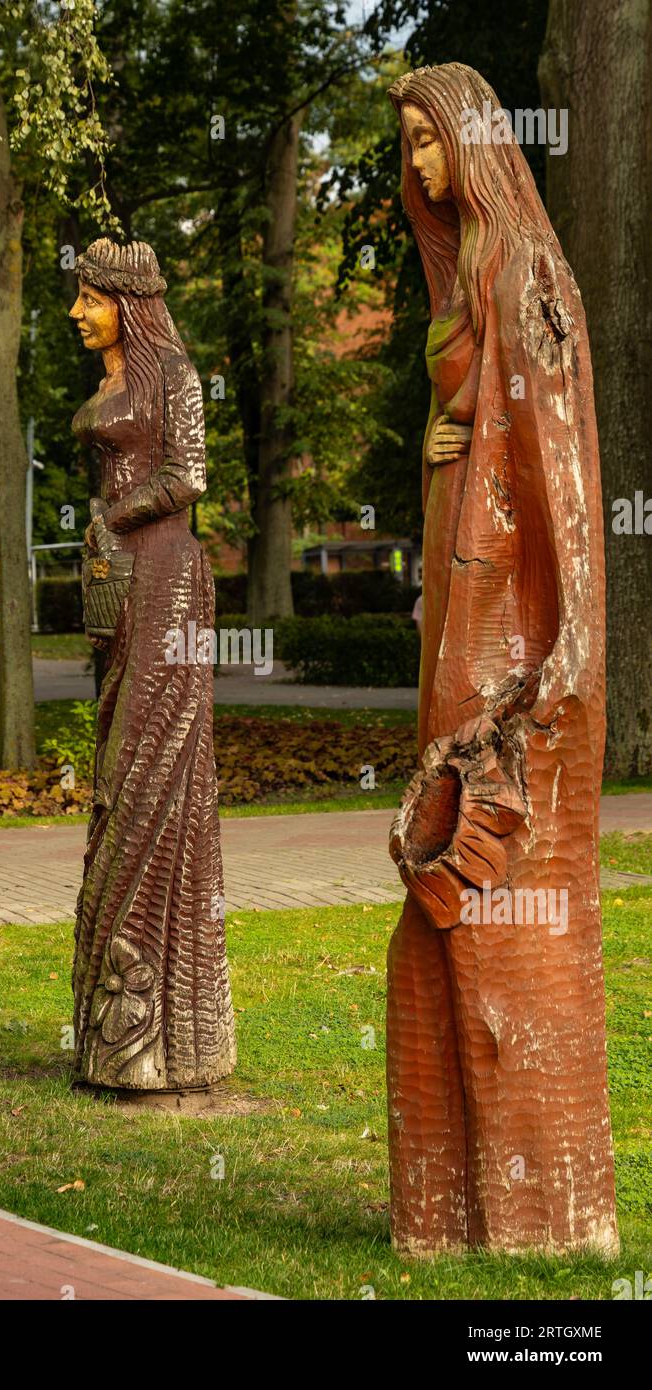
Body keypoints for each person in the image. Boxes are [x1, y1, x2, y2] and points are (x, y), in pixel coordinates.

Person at [386, 64, 617, 1255]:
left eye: (431, 141)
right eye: (407, 145)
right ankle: (458, 1200)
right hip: (454, 590)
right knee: (440, 891)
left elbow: (557, 466)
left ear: (474, 139)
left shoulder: (523, 271)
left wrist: (567, 639)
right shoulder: (463, 266)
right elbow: (477, 420)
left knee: (488, 883)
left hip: (505, 626)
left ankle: (532, 1208)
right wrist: (436, 450)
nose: (418, 164)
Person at [68, 239, 235, 1091]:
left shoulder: (172, 372)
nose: (76, 313)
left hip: (169, 576)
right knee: (113, 770)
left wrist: (114, 515)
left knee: (152, 770)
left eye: (89, 299)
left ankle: (162, 1030)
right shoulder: (108, 383)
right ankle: (111, 1029)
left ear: (126, 303)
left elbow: (190, 474)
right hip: (120, 580)